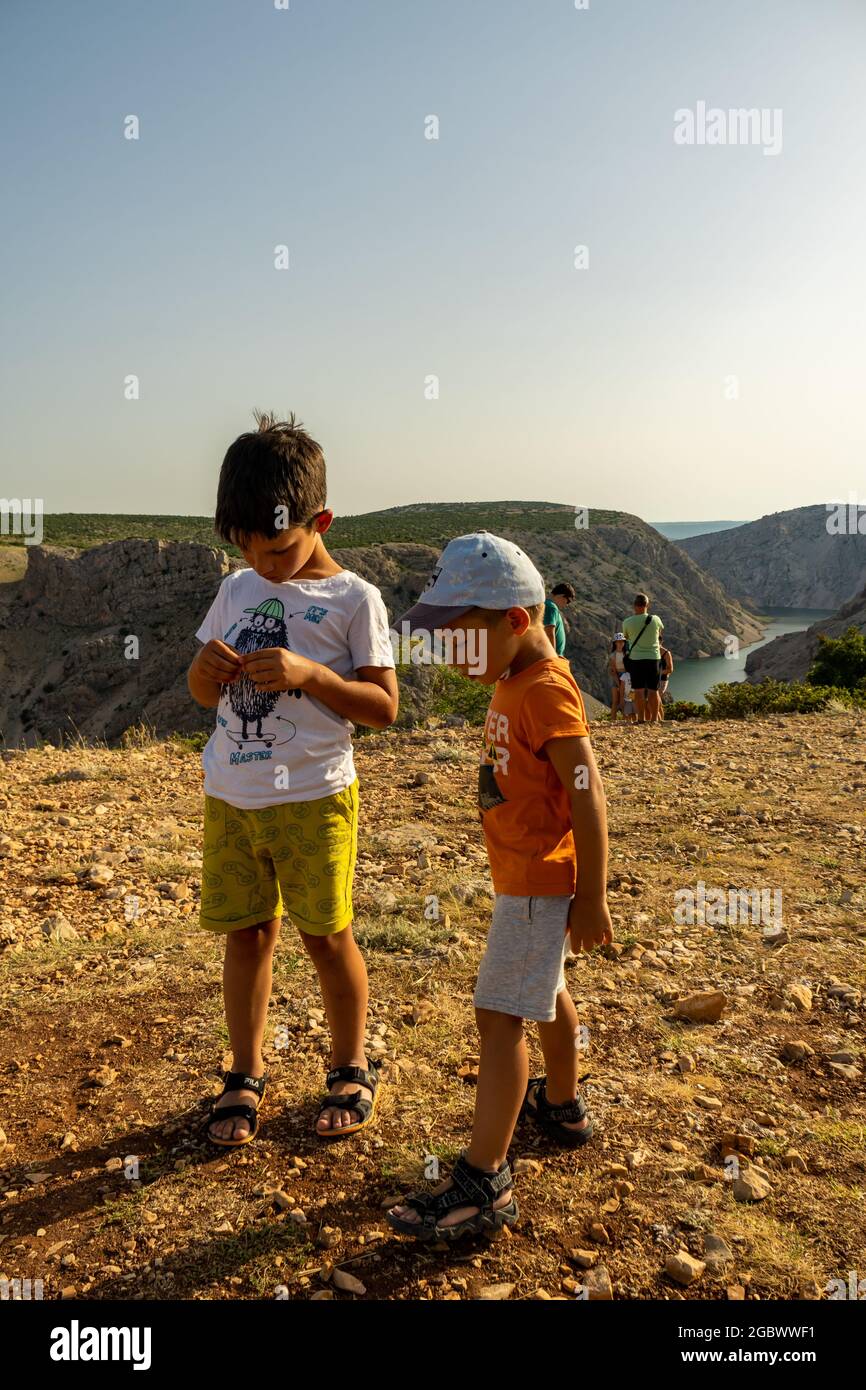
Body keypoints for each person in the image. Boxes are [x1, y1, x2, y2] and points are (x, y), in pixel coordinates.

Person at [385, 533, 612, 1243]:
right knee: (543, 994)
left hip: (539, 882)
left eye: (460, 638)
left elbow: (587, 790)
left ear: (513, 621)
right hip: (526, 877)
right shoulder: (516, 680)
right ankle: (564, 1106)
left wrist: (594, 894)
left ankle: (485, 1180)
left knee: (500, 1016)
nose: (450, 655)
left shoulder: (543, 689)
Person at [187, 411, 398, 1146]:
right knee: (245, 937)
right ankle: (243, 1074)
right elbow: (201, 694)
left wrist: (310, 674)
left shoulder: (354, 601)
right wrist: (203, 673)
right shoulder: (239, 589)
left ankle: (350, 1065)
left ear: (322, 519)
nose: (263, 562)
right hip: (233, 798)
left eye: (277, 546)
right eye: (246, 547)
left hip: (313, 798)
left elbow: (383, 706)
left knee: (325, 936)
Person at [622, 593, 664, 723]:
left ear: (634, 606)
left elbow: (627, 638)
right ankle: (654, 720)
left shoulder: (627, 622)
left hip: (636, 660)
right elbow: (660, 633)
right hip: (653, 659)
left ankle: (640, 719)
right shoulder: (656, 619)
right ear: (647, 605)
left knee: (638, 691)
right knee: (653, 690)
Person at [543, 582, 574, 656]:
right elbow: (549, 632)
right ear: (562, 596)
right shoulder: (550, 607)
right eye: (568, 601)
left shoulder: (549, 606)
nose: (566, 605)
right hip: (552, 657)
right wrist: (552, 659)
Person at [608, 632, 627, 720]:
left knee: (625, 700)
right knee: (615, 700)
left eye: (622, 641)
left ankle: (625, 719)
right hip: (616, 677)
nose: (620, 643)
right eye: (618, 642)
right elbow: (613, 671)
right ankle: (613, 720)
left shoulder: (627, 654)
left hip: (626, 676)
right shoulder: (613, 655)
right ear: (615, 643)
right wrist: (618, 683)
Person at [658, 645, 674, 718]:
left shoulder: (666, 653)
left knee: (657, 698)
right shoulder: (651, 652)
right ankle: (659, 719)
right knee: (655, 700)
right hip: (652, 679)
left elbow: (670, 669)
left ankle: (659, 719)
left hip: (662, 679)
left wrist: (658, 672)